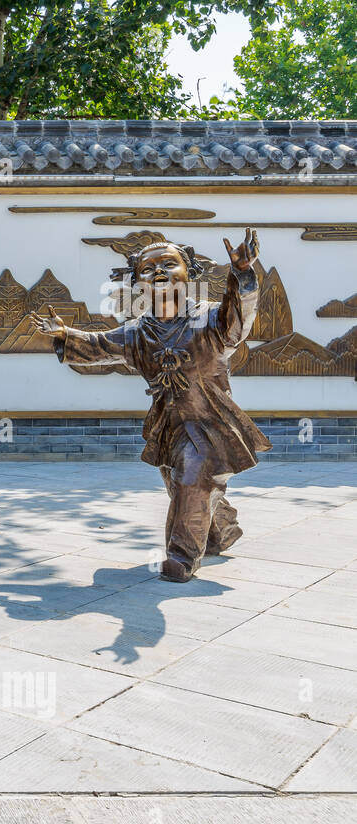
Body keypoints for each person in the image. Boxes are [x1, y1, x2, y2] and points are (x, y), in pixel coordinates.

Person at [33, 228, 269, 582]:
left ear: (189, 272)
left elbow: (239, 319)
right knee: (186, 484)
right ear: (137, 282)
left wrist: (242, 274)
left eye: (169, 264)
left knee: (193, 477)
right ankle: (221, 529)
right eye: (148, 268)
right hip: (169, 425)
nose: (158, 271)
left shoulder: (212, 320)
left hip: (211, 422)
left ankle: (181, 557)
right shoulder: (137, 332)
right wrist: (66, 335)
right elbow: (100, 345)